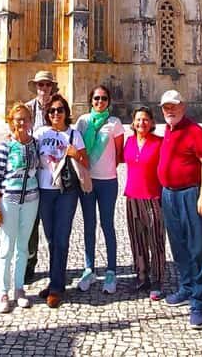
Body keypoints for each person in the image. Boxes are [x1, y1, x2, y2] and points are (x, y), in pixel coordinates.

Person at [157, 89, 202, 330]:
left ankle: (198, 301)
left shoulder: (195, 131)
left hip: (191, 194)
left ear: (184, 106)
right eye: (166, 107)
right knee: (178, 245)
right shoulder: (168, 131)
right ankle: (186, 287)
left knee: (197, 246)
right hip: (169, 194)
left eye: (174, 106)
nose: (169, 110)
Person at [36, 94, 89, 308]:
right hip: (45, 190)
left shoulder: (74, 134)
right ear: (47, 114)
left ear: (67, 113)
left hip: (67, 191)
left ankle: (57, 287)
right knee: (50, 238)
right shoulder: (40, 133)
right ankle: (54, 279)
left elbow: (87, 162)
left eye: (60, 110)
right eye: (52, 111)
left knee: (61, 238)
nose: (56, 114)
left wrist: (76, 154)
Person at [0, 103, 40, 314]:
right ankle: (2, 291)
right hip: (9, 201)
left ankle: (19, 289)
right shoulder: (5, 146)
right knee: (6, 248)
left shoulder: (35, 144)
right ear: (11, 121)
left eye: (25, 119)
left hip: (31, 199)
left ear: (30, 122)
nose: (21, 122)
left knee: (23, 247)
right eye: (17, 119)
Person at [74, 85, 125, 294]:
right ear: (91, 100)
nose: (99, 102)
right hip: (87, 180)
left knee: (107, 224)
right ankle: (89, 269)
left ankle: (111, 270)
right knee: (89, 225)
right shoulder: (83, 121)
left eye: (103, 98)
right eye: (96, 98)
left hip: (107, 181)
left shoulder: (115, 123)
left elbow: (120, 155)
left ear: (109, 101)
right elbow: (77, 148)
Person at [123, 106, 165, 301]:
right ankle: (141, 276)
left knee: (155, 240)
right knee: (137, 240)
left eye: (146, 119)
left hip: (153, 197)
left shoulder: (159, 143)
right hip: (132, 196)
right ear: (133, 123)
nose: (142, 123)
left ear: (152, 123)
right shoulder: (129, 142)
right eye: (138, 120)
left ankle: (157, 280)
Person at [23, 70, 58, 284]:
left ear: (52, 87)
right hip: (32, 176)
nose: (44, 89)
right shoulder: (27, 109)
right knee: (31, 223)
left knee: (54, 225)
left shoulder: (58, 108)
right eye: (40, 85)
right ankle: (29, 264)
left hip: (52, 177)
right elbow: (17, 134)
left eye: (47, 85)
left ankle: (56, 267)